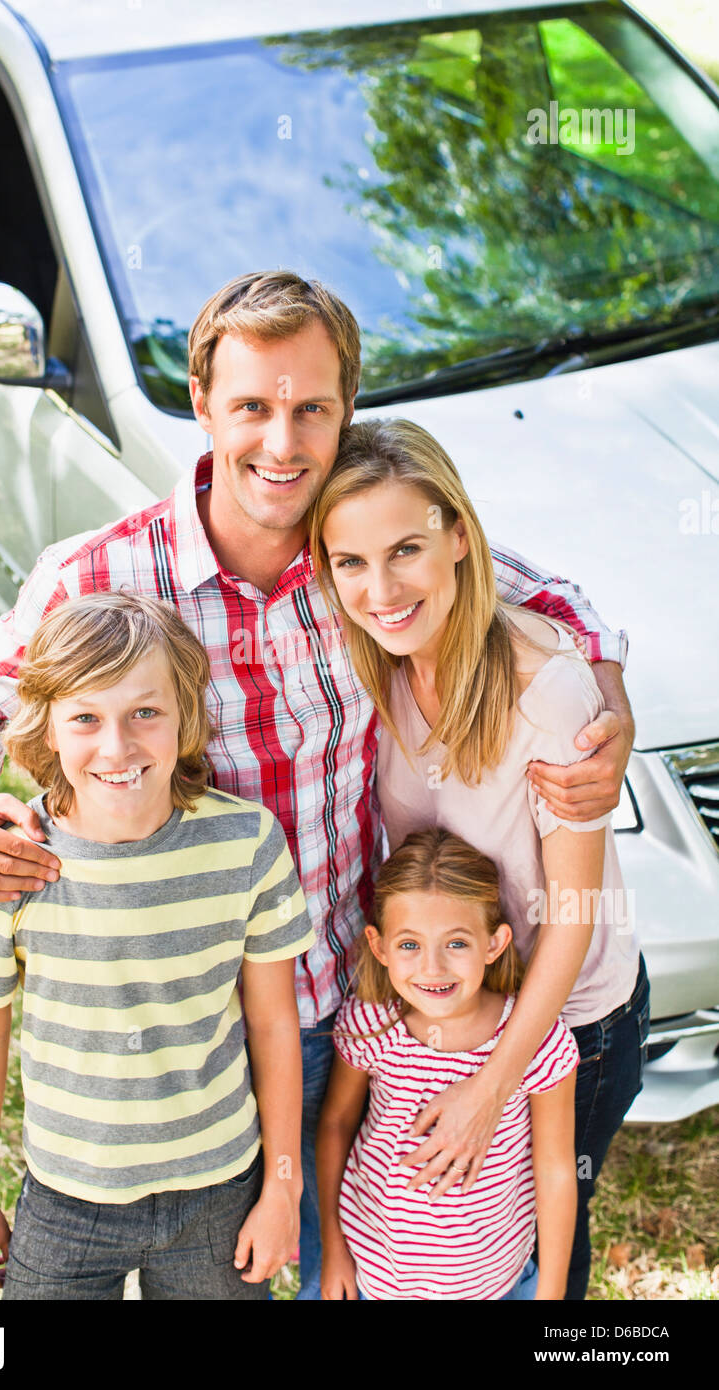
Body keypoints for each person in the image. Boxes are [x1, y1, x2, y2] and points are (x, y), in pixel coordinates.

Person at [0, 271, 634, 1299]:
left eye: (311, 409)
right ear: (203, 406)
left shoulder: (355, 546)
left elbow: (550, 597)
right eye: (251, 407)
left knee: (405, 1246)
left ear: (347, 411)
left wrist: (609, 699)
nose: (281, 443)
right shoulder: (107, 574)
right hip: (199, 1023)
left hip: (356, 990)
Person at [309, 417, 649, 1299]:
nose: (380, 589)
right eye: (351, 562)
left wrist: (493, 1086)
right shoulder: (372, 662)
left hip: (562, 1016)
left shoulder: (551, 692)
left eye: (407, 551)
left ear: (460, 538)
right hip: (450, 992)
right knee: (445, 1219)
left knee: (540, 1243)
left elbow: (572, 922)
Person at [0, 591, 313, 1300]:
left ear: (186, 717)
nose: (116, 747)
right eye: (85, 718)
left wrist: (281, 1189)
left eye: (145, 712)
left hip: (220, 1189)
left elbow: (273, 1022)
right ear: (49, 727)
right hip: (66, 1197)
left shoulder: (247, 843)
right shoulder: (10, 862)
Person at [318, 827, 579, 1300]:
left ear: (495, 944)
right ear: (379, 947)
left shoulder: (537, 1042)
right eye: (409, 945)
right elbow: (336, 1124)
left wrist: (553, 1291)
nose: (433, 968)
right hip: (379, 1280)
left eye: (457, 944)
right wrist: (333, 1249)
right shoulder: (370, 1025)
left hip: (496, 1285)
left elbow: (558, 1170)